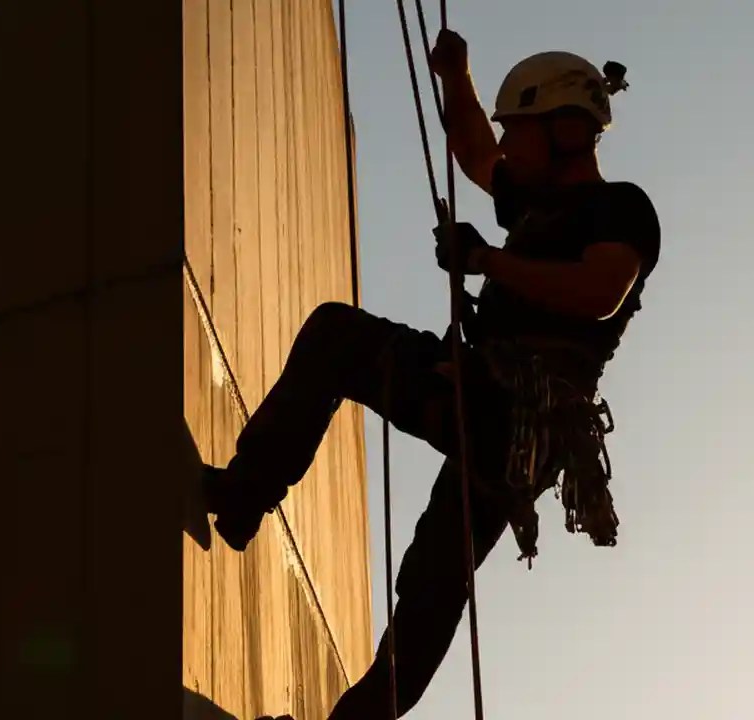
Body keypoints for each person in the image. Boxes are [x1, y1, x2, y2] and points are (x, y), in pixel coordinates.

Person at [204, 28, 661, 719]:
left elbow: (601, 292)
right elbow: (476, 148)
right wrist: (456, 74)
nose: (508, 148)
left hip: (520, 418)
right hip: (477, 391)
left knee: (430, 582)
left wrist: (487, 262)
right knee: (337, 337)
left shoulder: (619, 208)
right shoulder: (533, 197)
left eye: (523, 133)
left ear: (568, 132)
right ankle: (244, 495)